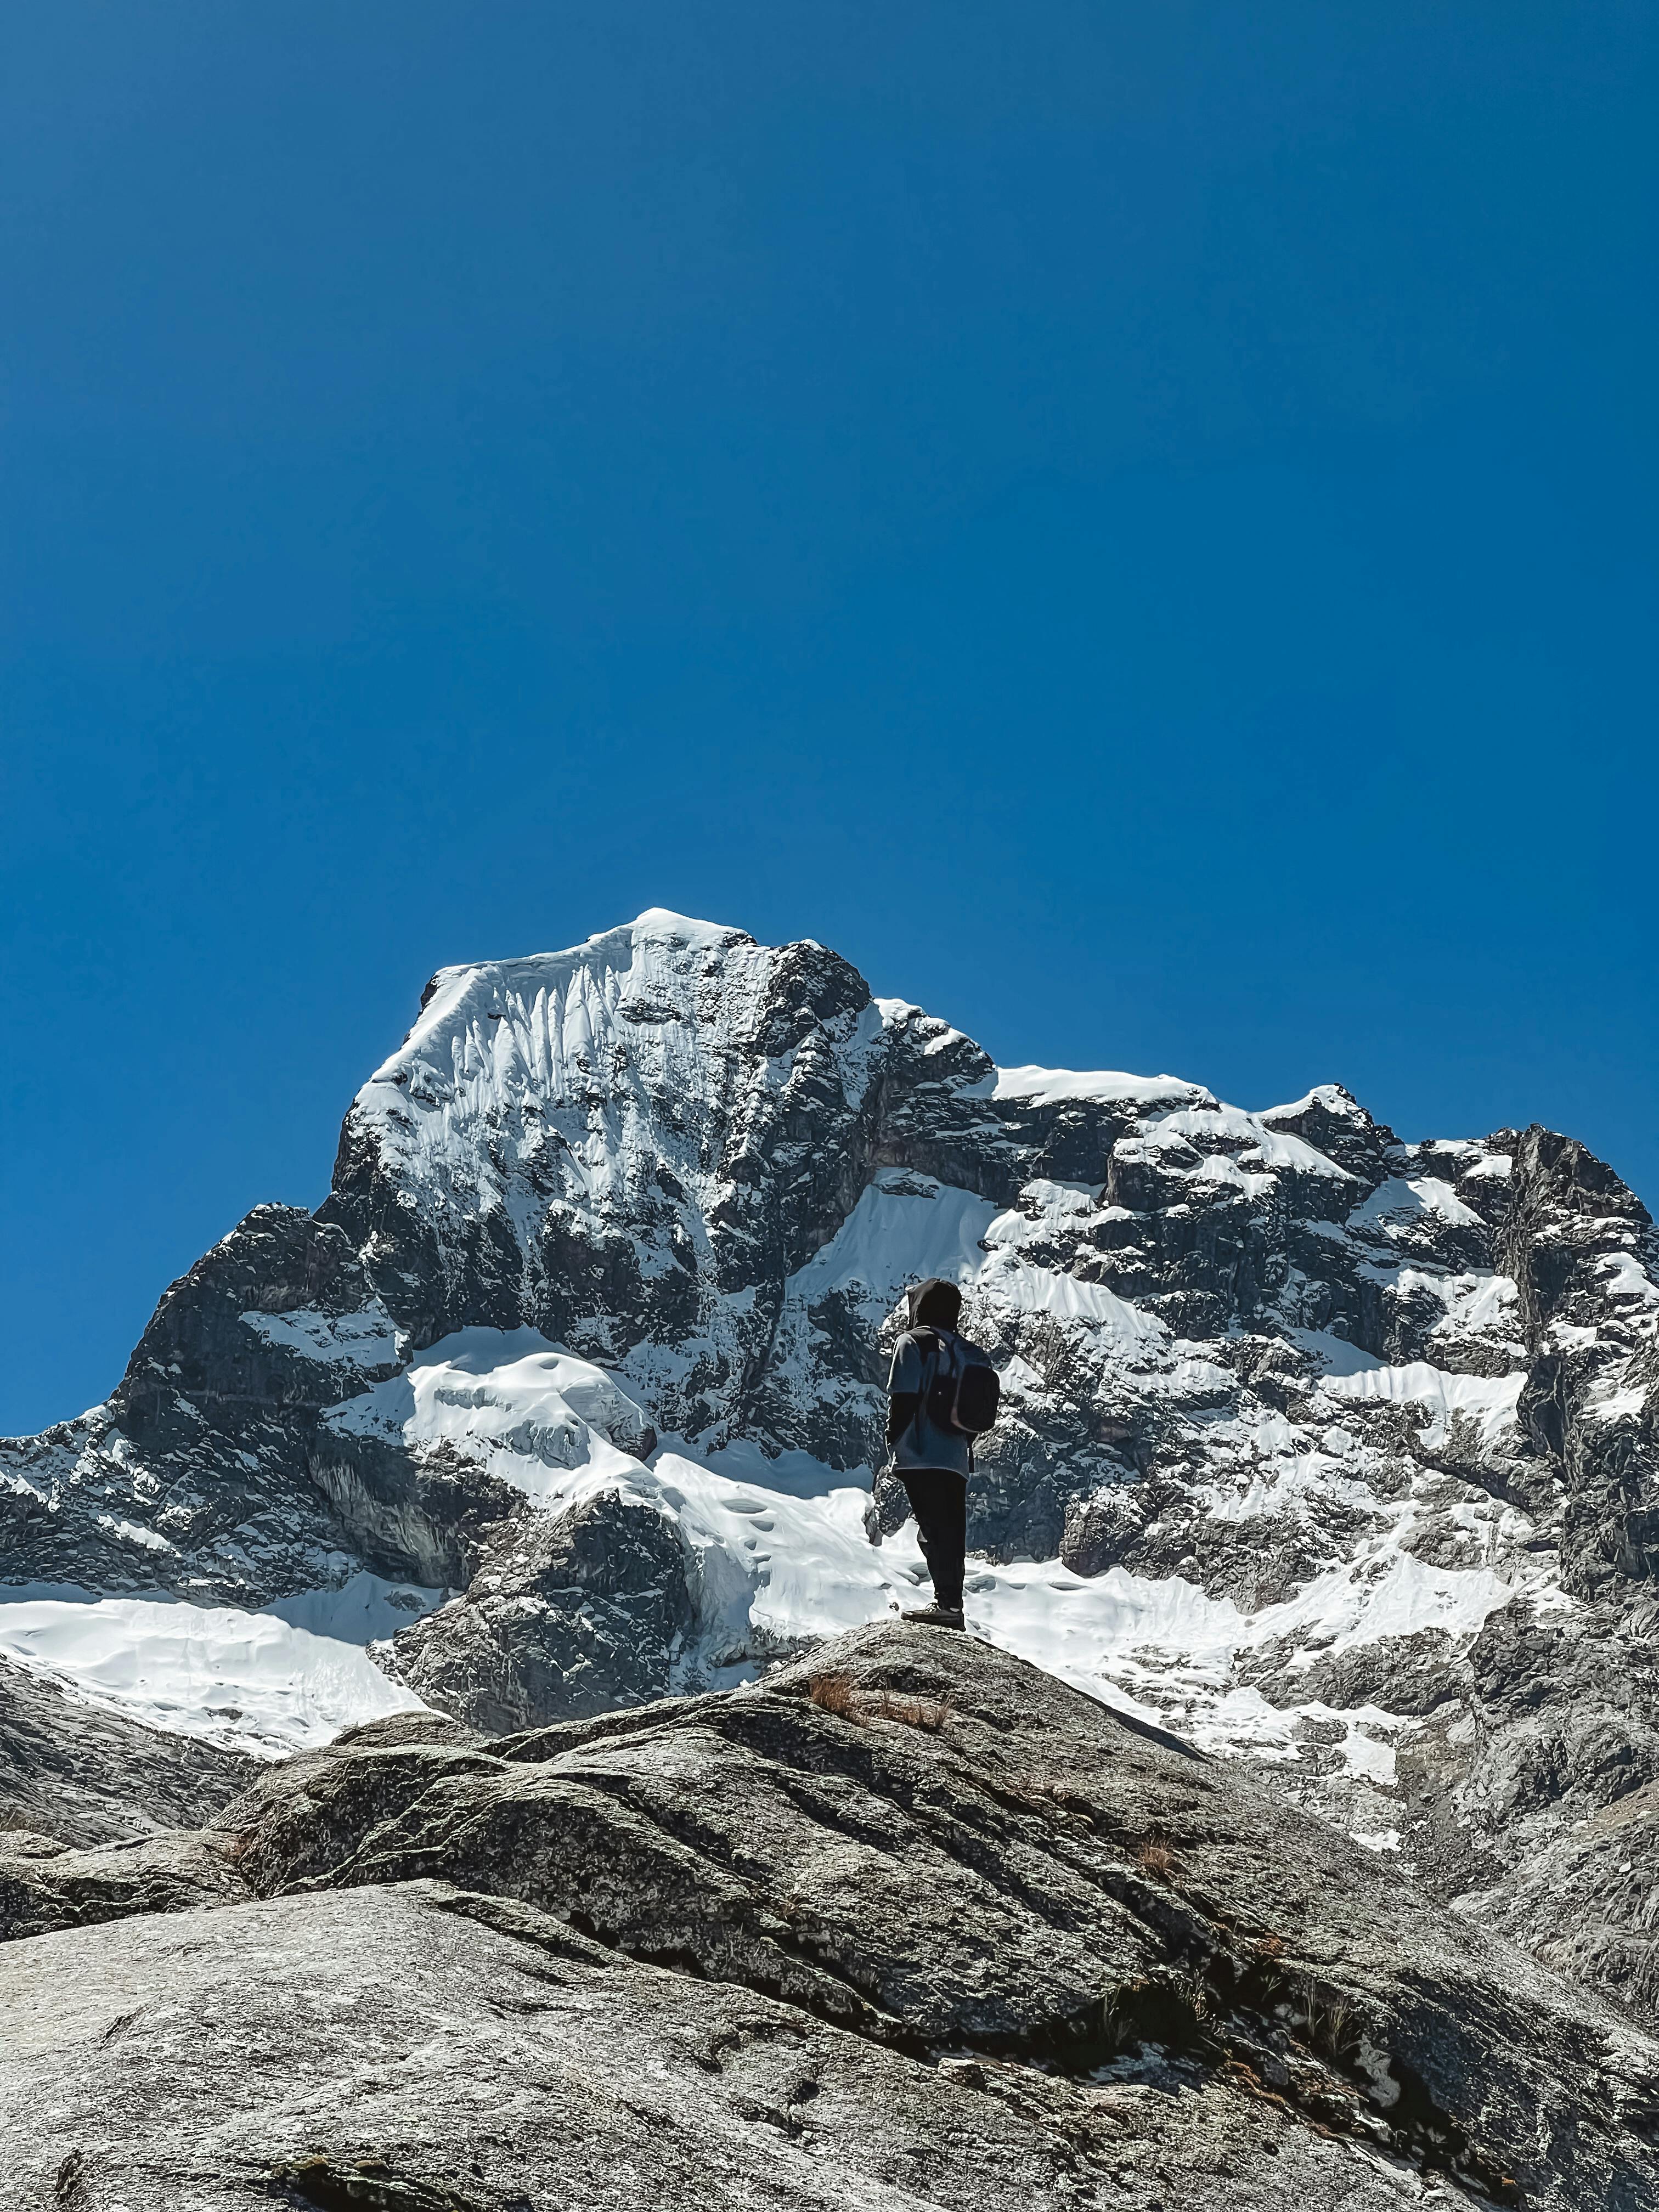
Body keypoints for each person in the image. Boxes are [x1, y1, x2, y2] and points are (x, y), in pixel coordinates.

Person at [884, 1276, 990, 1630]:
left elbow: (903, 1398)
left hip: (921, 1452)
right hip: (956, 1458)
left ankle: (946, 1606)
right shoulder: (971, 1353)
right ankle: (952, 1605)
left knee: (932, 1530)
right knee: (951, 1531)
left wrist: (894, 1442)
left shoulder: (912, 1342)